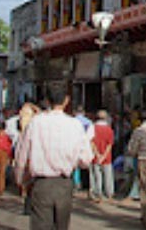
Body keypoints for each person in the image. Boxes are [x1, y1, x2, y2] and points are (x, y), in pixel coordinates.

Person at [13, 87, 93, 230]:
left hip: (41, 184)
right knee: (61, 226)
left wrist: (20, 179)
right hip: (64, 184)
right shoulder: (75, 125)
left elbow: (21, 155)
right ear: (66, 101)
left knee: (41, 224)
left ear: (47, 101)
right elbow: (86, 159)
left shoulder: (35, 123)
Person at [90, 109, 115, 202]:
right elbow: (110, 144)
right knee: (108, 176)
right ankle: (109, 193)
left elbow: (91, 142)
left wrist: (97, 154)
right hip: (107, 157)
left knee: (97, 175)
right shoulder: (109, 130)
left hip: (95, 156)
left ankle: (98, 193)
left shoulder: (92, 128)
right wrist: (104, 155)